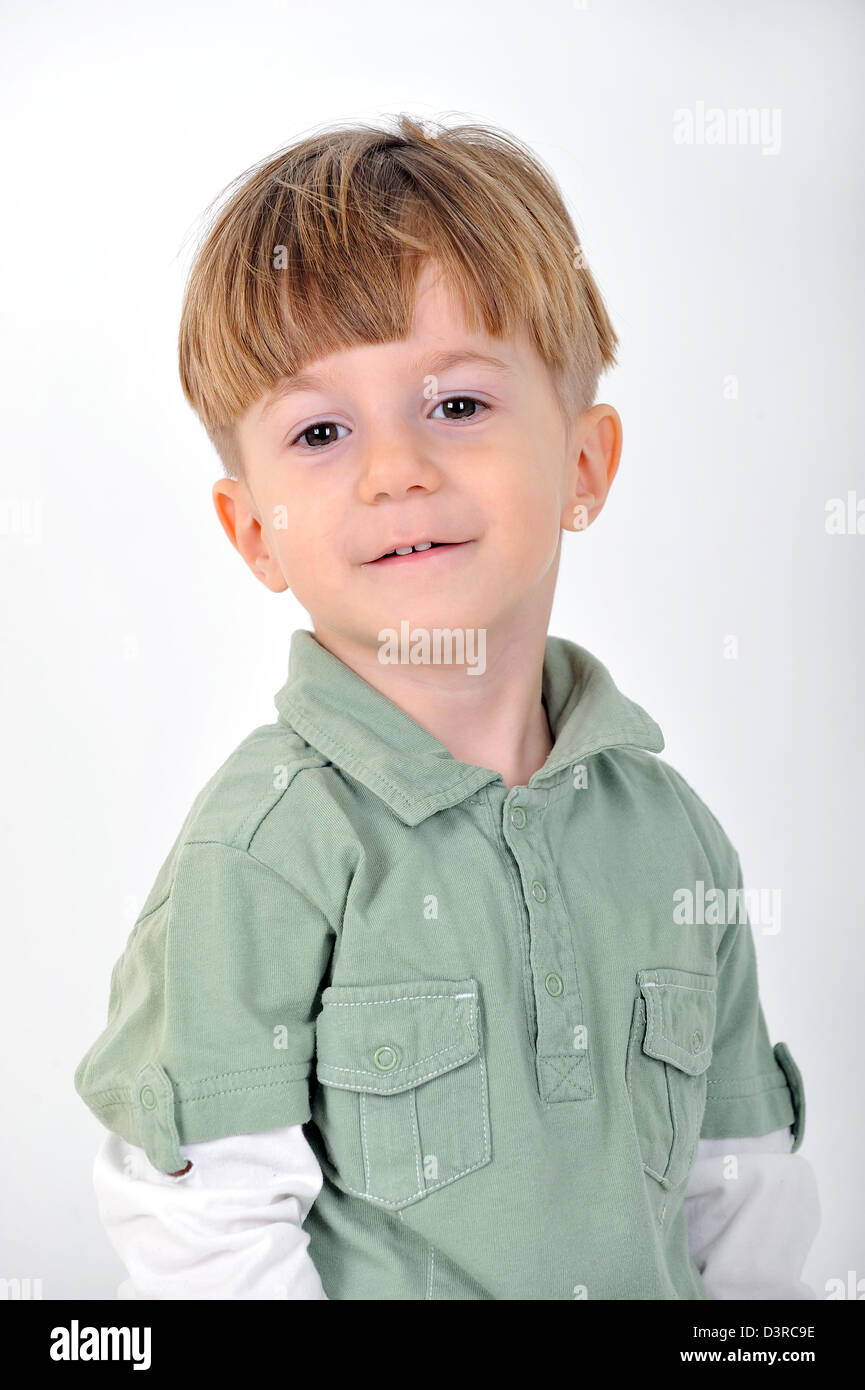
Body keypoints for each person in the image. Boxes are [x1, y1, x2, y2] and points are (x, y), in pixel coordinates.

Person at [74, 113, 820, 1300]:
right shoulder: (266, 853)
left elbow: (739, 1204)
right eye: (320, 431)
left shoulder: (674, 835)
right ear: (251, 530)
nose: (393, 469)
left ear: (584, 464)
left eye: (457, 406)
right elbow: (203, 1237)